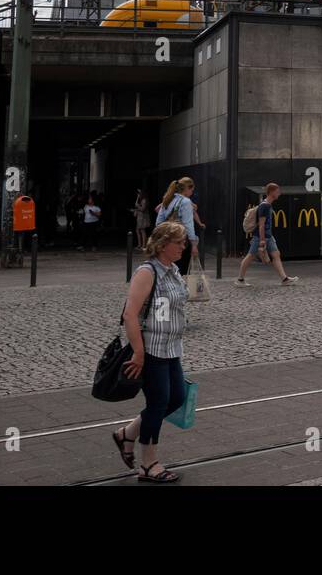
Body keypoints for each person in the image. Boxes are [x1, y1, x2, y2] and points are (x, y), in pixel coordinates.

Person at [111, 220, 189, 484]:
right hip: (152, 350)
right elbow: (130, 314)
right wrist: (138, 353)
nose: (183, 246)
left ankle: (127, 433)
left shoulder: (174, 270)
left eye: (183, 242)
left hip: (172, 348)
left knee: (177, 397)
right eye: (179, 242)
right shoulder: (147, 272)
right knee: (157, 404)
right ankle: (148, 464)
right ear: (163, 244)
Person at [237, 182, 298, 285]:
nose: (279, 193)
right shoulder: (265, 206)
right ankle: (240, 280)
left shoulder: (267, 205)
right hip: (261, 237)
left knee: (276, 254)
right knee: (250, 256)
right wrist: (262, 240)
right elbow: (261, 225)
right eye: (277, 191)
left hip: (268, 236)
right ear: (271, 192)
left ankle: (284, 279)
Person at [156, 177, 199, 275]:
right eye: (191, 190)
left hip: (166, 241)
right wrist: (194, 244)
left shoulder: (168, 198)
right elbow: (188, 225)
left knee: (167, 271)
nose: (192, 193)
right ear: (187, 188)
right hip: (181, 241)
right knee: (181, 273)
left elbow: (158, 223)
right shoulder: (186, 202)